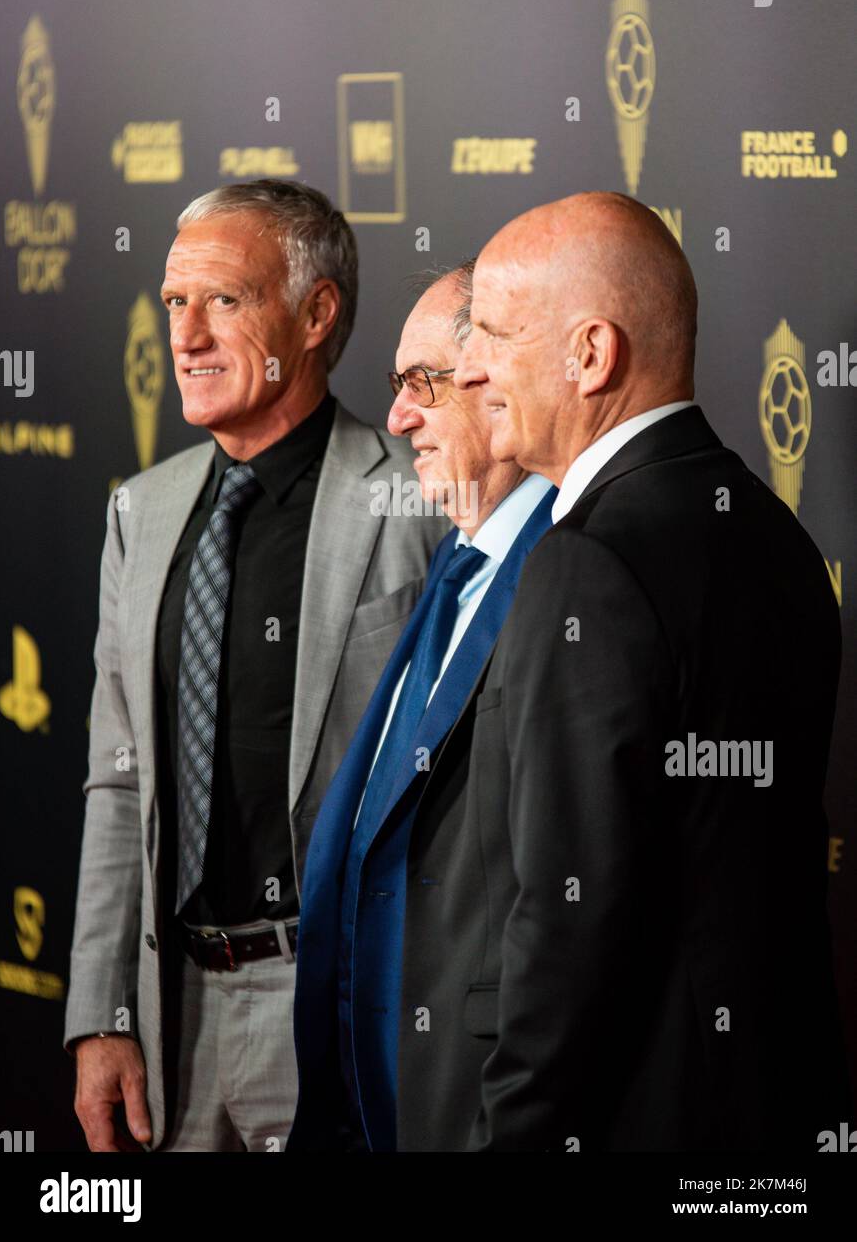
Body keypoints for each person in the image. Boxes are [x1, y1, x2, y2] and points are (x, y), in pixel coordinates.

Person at [385, 190, 848, 1150]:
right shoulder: (777, 537)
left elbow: (568, 931)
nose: (467, 369)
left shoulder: (586, 560)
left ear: (590, 356)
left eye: (496, 337)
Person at [64, 179, 448, 1152]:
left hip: (339, 995)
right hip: (167, 1008)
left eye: (223, 301)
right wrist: (102, 1015)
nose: (184, 335)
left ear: (316, 315)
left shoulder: (421, 497)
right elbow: (117, 786)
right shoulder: (139, 513)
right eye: (172, 303)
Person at [287, 262, 556, 1151]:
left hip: (475, 1099)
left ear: (496, 385)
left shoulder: (570, 578)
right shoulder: (451, 556)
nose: (397, 418)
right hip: (367, 1091)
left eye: (421, 385)